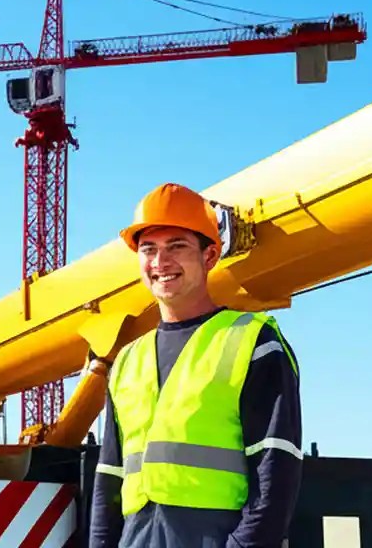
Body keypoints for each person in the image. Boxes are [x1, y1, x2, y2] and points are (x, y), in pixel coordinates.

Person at [89, 182, 303, 548]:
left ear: (209, 256)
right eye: (149, 249)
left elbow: (276, 470)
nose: (160, 263)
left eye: (177, 247)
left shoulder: (253, 341)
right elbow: (109, 477)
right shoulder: (127, 360)